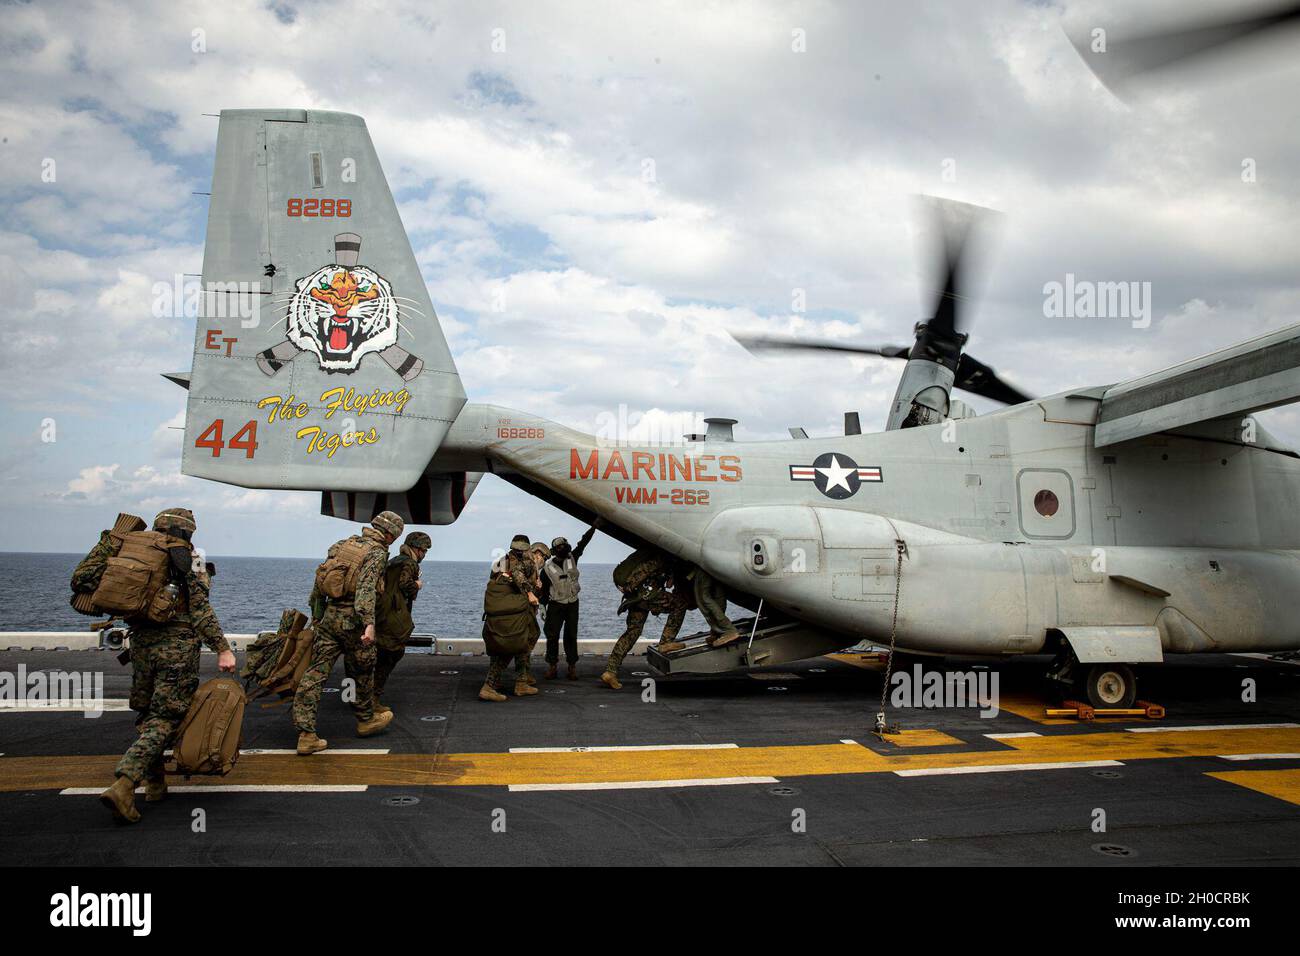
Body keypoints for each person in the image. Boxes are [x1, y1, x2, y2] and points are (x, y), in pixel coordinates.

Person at [88, 508, 236, 824]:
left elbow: (86, 581)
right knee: (166, 717)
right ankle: (125, 782)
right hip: (177, 649)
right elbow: (200, 612)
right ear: (187, 532)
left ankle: (155, 784)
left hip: (141, 644)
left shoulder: (134, 550)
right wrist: (223, 649)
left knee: (147, 711)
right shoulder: (183, 557)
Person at [293, 511, 403, 755]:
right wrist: (369, 624)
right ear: (388, 535)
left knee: (314, 675)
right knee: (362, 671)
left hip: (329, 618)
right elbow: (366, 588)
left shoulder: (343, 545)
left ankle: (306, 734)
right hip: (353, 623)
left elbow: (318, 582)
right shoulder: (376, 553)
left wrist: (318, 615)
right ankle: (365, 720)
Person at [600, 550, 692, 690]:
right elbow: (649, 567)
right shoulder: (663, 556)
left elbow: (665, 582)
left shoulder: (658, 556)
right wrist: (632, 585)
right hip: (644, 594)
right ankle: (666, 642)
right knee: (680, 604)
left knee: (633, 632)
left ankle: (610, 672)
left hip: (637, 597)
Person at [371, 530, 432, 713]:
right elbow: (405, 585)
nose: (424, 554)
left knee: (380, 655)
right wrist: (417, 586)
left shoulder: (392, 561)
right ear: (417, 549)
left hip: (381, 614)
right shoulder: (409, 564)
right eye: (424, 550)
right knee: (392, 654)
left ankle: (366, 696)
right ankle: (372, 699)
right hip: (394, 617)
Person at [480, 534, 540, 701]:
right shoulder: (521, 562)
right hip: (514, 612)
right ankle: (489, 686)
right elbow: (517, 575)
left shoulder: (500, 562)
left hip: (499, 611)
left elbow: (495, 581)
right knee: (513, 645)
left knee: (519, 642)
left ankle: (520, 681)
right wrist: (530, 592)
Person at [539, 525, 596, 680]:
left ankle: (572, 667)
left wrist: (595, 527)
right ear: (554, 550)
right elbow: (543, 590)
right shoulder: (546, 568)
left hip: (572, 603)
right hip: (556, 605)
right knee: (552, 636)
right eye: (560, 547)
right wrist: (542, 606)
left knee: (571, 635)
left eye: (565, 546)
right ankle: (552, 666)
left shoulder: (573, 557)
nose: (563, 549)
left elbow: (583, 543)